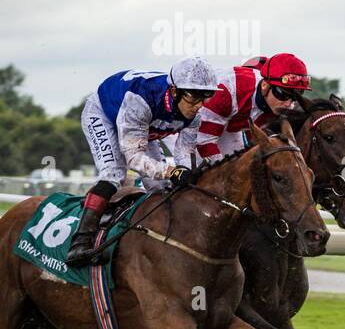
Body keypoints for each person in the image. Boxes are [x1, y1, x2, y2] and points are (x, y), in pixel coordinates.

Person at [67, 57, 219, 267]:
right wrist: (172, 172)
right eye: (193, 99)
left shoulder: (194, 116)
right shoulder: (141, 99)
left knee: (161, 186)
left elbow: (184, 152)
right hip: (104, 114)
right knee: (113, 174)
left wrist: (183, 171)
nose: (198, 107)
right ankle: (80, 242)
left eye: (205, 98)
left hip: (144, 125)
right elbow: (134, 158)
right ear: (174, 91)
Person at [173, 53, 312, 164]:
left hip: (228, 124)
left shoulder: (281, 104)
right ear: (265, 86)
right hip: (182, 123)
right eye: (283, 95)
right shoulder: (229, 90)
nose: (289, 104)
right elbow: (203, 140)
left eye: (295, 97)